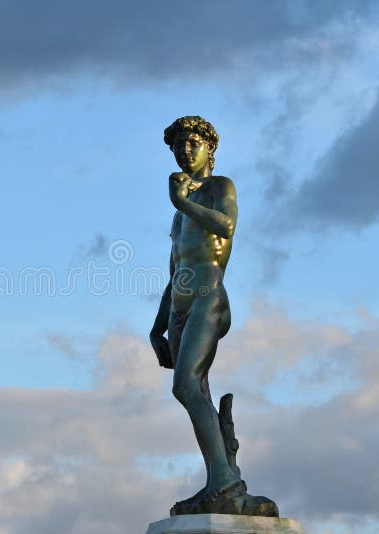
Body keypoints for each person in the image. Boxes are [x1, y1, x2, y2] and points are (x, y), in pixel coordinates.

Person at [150, 115, 242, 510]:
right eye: (177, 146)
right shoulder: (178, 213)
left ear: (209, 150)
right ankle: (220, 481)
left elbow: (226, 226)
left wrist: (183, 201)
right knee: (196, 391)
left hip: (209, 294)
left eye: (192, 143)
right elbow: (175, 269)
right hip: (181, 303)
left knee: (185, 385)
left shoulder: (218, 188)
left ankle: (223, 478)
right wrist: (157, 327)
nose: (184, 151)